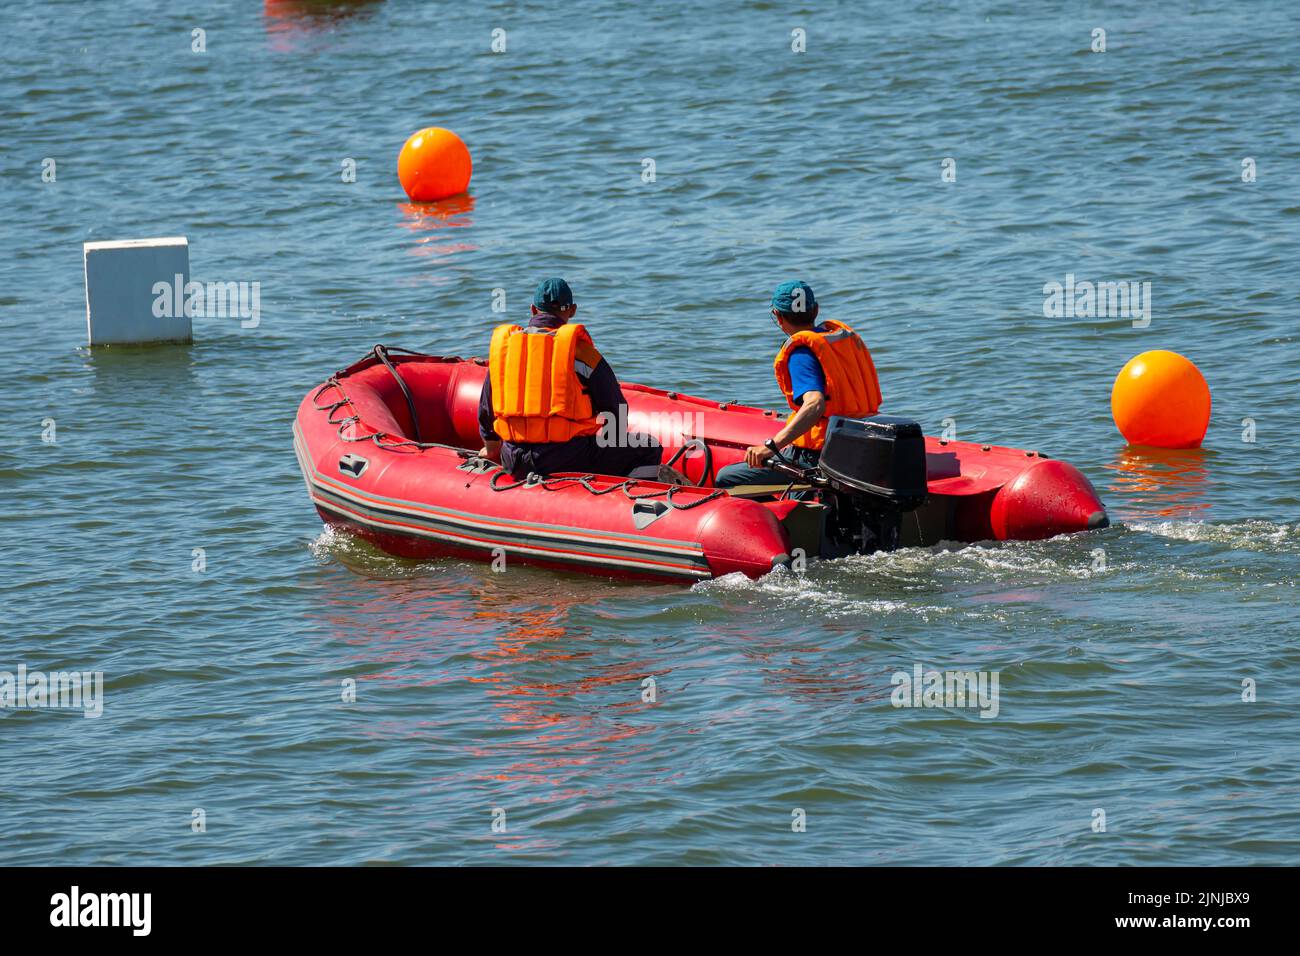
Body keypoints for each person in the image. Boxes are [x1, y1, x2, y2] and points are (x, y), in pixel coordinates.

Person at [477, 278, 666, 479]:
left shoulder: (506, 353)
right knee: (648, 447)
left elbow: (486, 410)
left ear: (533, 309)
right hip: (567, 458)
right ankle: (638, 501)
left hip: (513, 459)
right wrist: (611, 446)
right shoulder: (583, 354)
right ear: (573, 310)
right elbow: (616, 408)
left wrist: (492, 448)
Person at [715, 280, 882, 488]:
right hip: (858, 443)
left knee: (726, 477)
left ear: (777, 316)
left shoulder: (801, 353)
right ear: (816, 309)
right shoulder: (837, 341)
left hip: (820, 455)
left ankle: (779, 517)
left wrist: (771, 447)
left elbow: (815, 404)